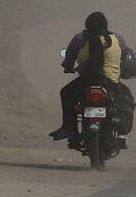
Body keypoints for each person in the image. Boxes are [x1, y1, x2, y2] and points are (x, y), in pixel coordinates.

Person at [49, 12, 130, 141]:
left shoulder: (82, 38)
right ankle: (120, 129)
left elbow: (77, 59)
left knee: (66, 93)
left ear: (87, 25)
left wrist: (69, 67)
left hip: (87, 82)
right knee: (126, 97)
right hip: (111, 83)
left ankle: (69, 128)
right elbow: (126, 56)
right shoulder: (117, 39)